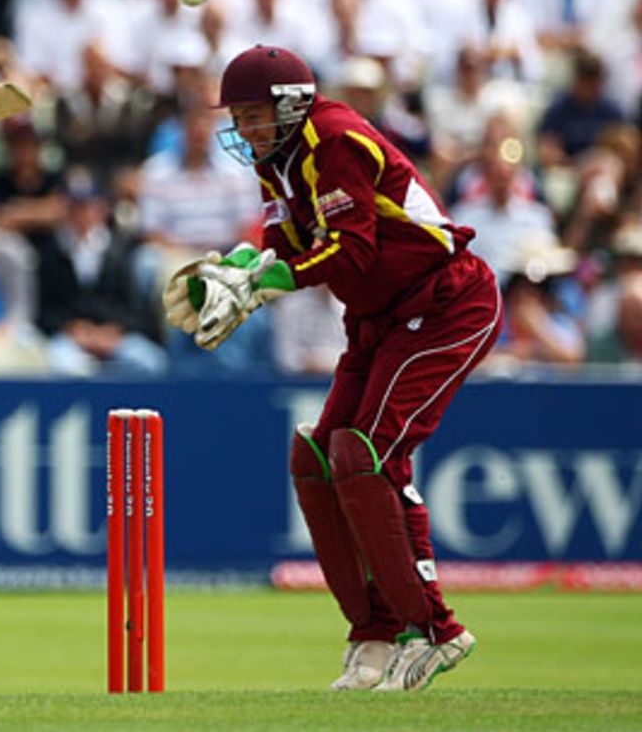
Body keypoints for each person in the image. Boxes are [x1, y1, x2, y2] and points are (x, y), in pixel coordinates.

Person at [163, 45, 503, 691]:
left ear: (291, 104)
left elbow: (352, 252)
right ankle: (373, 632)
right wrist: (242, 267)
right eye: (238, 117)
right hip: (377, 317)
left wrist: (268, 283)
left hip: (445, 302)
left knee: (366, 454)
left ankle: (436, 629)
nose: (245, 129)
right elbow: (283, 241)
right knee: (317, 456)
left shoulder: (334, 139)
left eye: (254, 115)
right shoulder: (274, 156)